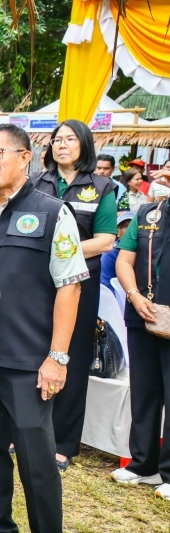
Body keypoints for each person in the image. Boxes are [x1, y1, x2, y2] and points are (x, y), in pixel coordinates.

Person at [0, 124, 87, 533]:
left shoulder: (52, 212)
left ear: (24, 157)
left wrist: (57, 358)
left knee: (36, 463)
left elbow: (69, 289)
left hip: (27, 364)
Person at [31, 119, 117, 471]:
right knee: (32, 349)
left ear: (84, 145)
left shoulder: (101, 186)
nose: (61, 145)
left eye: (69, 139)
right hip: (36, 281)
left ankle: (62, 442)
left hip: (81, 281)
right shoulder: (35, 182)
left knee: (72, 356)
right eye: (56, 140)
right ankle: (20, 432)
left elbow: (106, 239)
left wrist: (63, 250)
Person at [110, 201, 170, 501]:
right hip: (144, 313)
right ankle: (143, 464)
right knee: (144, 391)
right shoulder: (148, 212)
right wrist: (133, 296)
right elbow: (124, 259)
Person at [101, 212, 134, 295]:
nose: (129, 230)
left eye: (132, 226)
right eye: (124, 226)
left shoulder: (145, 252)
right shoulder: (110, 253)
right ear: (118, 232)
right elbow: (105, 285)